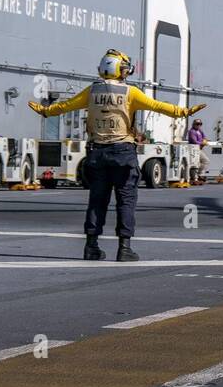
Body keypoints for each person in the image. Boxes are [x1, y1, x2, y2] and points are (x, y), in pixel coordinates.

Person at [30, 49, 205, 262]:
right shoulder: (129, 92)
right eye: (124, 69)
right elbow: (157, 106)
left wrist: (45, 111)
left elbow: (65, 106)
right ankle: (124, 248)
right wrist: (183, 112)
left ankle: (91, 246)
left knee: (96, 201)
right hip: (123, 152)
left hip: (97, 153)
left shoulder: (91, 92)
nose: (126, 72)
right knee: (126, 200)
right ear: (118, 70)